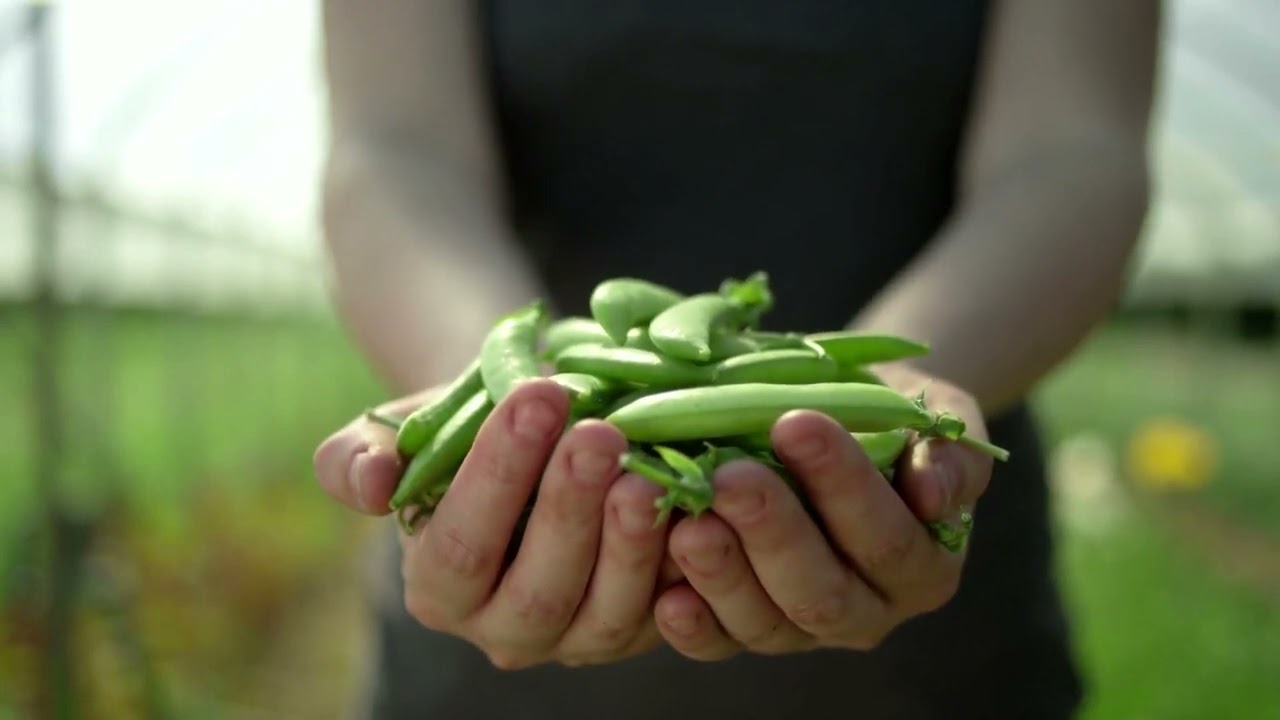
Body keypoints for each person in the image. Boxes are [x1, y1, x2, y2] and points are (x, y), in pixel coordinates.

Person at [312, 1, 1160, 717]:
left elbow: (1073, 150)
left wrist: (907, 393)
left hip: (935, 657)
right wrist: (490, 397)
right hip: (499, 622)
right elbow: (396, 148)